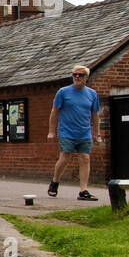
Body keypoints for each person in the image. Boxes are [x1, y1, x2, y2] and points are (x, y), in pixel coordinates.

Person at [47, 64, 102, 200]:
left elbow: (95, 115)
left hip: (84, 132)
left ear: (86, 77)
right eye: (74, 74)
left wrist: (97, 134)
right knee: (65, 157)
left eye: (80, 75)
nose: (77, 77)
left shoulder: (92, 94)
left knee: (85, 158)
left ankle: (83, 191)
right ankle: (55, 181)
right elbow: (54, 112)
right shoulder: (63, 92)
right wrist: (51, 132)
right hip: (67, 131)